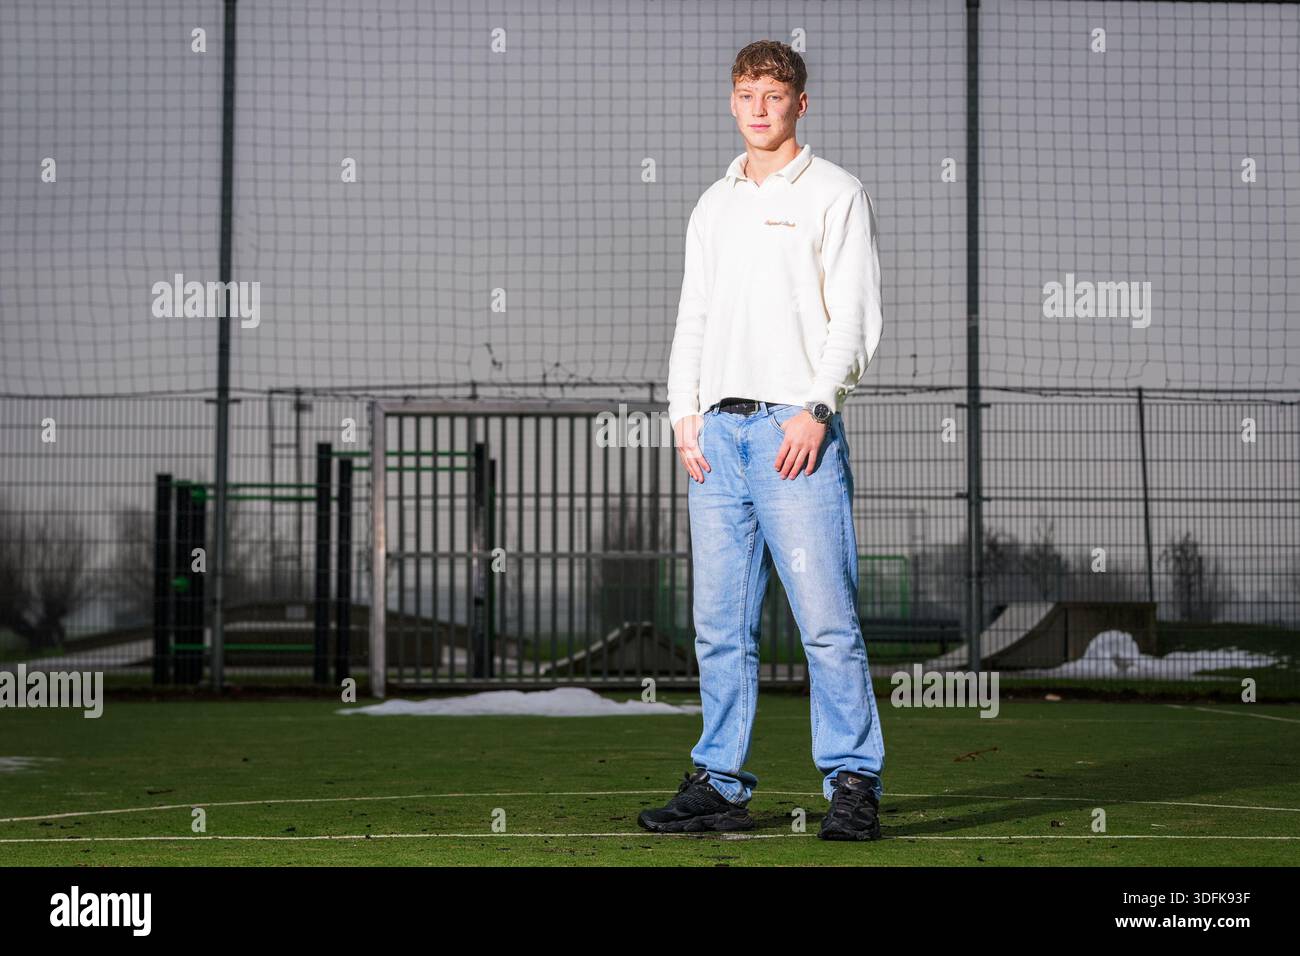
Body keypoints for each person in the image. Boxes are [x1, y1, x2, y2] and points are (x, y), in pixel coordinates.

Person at [638, 40, 886, 840]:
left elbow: (852, 315)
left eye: (772, 95)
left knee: (825, 620)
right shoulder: (713, 204)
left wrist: (819, 406)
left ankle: (852, 782)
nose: (757, 107)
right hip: (716, 438)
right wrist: (684, 413)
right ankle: (720, 783)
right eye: (745, 93)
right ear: (732, 99)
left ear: (799, 105)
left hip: (794, 432)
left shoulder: (837, 193)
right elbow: (694, 315)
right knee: (719, 624)